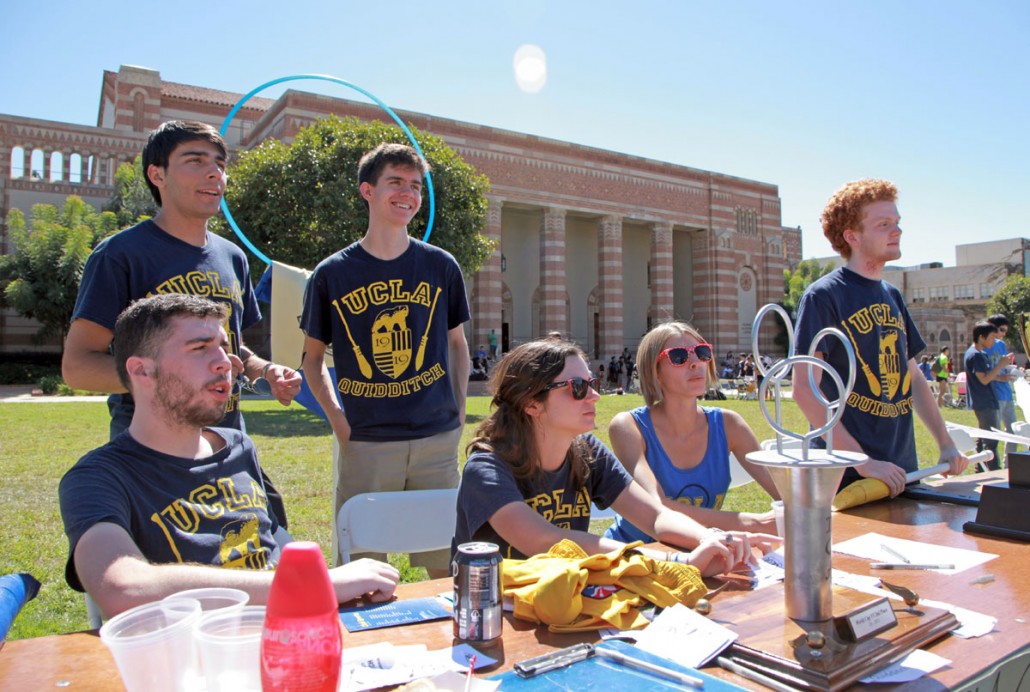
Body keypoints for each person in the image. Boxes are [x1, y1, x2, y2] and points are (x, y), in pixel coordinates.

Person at [59, 295, 398, 619]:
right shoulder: (96, 478)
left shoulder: (238, 447)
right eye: (200, 348)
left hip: (292, 636)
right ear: (142, 371)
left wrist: (312, 581)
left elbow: (271, 544)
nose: (227, 362)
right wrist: (315, 583)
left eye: (224, 346)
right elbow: (123, 589)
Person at [62, 120, 301, 527]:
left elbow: (232, 348)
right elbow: (78, 366)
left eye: (220, 164)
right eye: (195, 161)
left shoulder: (232, 257)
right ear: (158, 175)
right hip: (151, 447)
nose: (215, 173)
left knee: (267, 552)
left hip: (227, 439)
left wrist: (264, 370)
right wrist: (177, 378)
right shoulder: (120, 255)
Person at [453, 338, 779, 575]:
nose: (594, 394)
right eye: (577, 387)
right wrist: (675, 563)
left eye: (592, 383)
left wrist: (710, 538)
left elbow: (654, 515)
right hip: (498, 609)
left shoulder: (587, 451)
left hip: (565, 600)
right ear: (532, 404)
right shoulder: (488, 466)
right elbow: (546, 540)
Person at [300, 143, 470, 574]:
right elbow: (312, 359)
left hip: (436, 440)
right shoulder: (332, 273)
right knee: (361, 568)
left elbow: (457, 345)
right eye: (395, 182)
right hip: (367, 440)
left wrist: (457, 411)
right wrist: (340, 421)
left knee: (447, 565)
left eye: (415, 186)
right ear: (367, 191)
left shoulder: (441, 266)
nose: (408, 193)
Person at [792, 179, 967, 498]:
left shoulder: (893, 296)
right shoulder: (823, 296)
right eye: (884, 224)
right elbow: (805, 389)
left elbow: (913, 377)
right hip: (845, 478)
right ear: (852, 236)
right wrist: (863, 462)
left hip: (900, 470)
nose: (896, 231)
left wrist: (946, 444)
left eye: (897, 223)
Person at [604, 322, 781, 546]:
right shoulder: (628, 426)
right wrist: (753, 523)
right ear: (654, 372)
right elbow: (659, 506)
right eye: (679, 356)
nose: (695, 363)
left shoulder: (729, 424)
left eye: (702, 352)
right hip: (636, 558)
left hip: (703, 555)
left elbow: (783, 492)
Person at [965, 320, 1009, 471]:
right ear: (981, 337)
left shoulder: (977, 353)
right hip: (985, 403)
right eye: (991, 337)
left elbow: (986, 376)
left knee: (982, 438)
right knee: (991, 442)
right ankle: (994, 472)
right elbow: (983, 379)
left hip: (984, 401)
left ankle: (980, 469)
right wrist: (1000, 365)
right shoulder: (976, 355)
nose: (994, 341)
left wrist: (1001, 376)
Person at [986, 314, 1017, 465]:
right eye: (1002, 329)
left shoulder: (1001, 345)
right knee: (994, 433)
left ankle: (1009, 464)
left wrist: (1011, 369)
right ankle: (991, 464)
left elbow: (1003, 367)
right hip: (993, 395)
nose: (1004, 333)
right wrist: (1000, 378)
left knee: (1013, 431)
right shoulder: (983, 346)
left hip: (1007, 393)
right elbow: (983, 374)